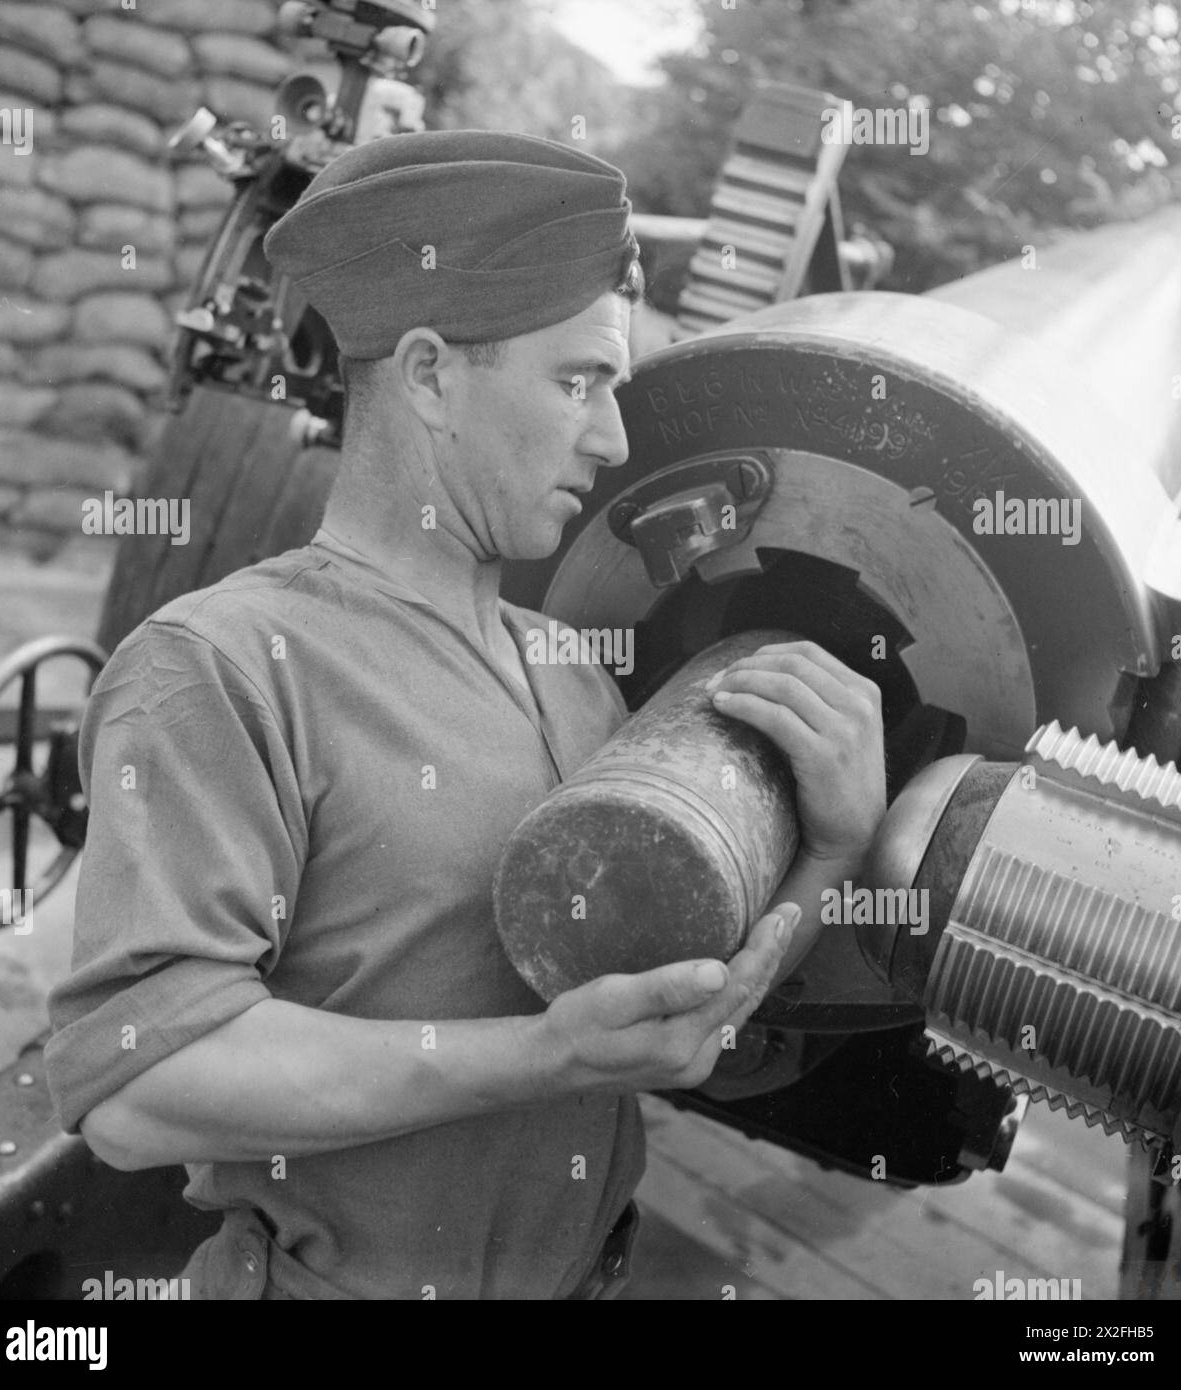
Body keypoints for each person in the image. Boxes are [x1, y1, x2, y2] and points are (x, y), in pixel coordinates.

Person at [45, 130, 886, 1300]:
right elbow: (134, 1093)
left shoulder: (573, 672)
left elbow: (674, 1022)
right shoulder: (223, 668)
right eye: (580, 381)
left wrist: (833, 850)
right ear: (432, 374)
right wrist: (540, 1057)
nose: (616, 439)